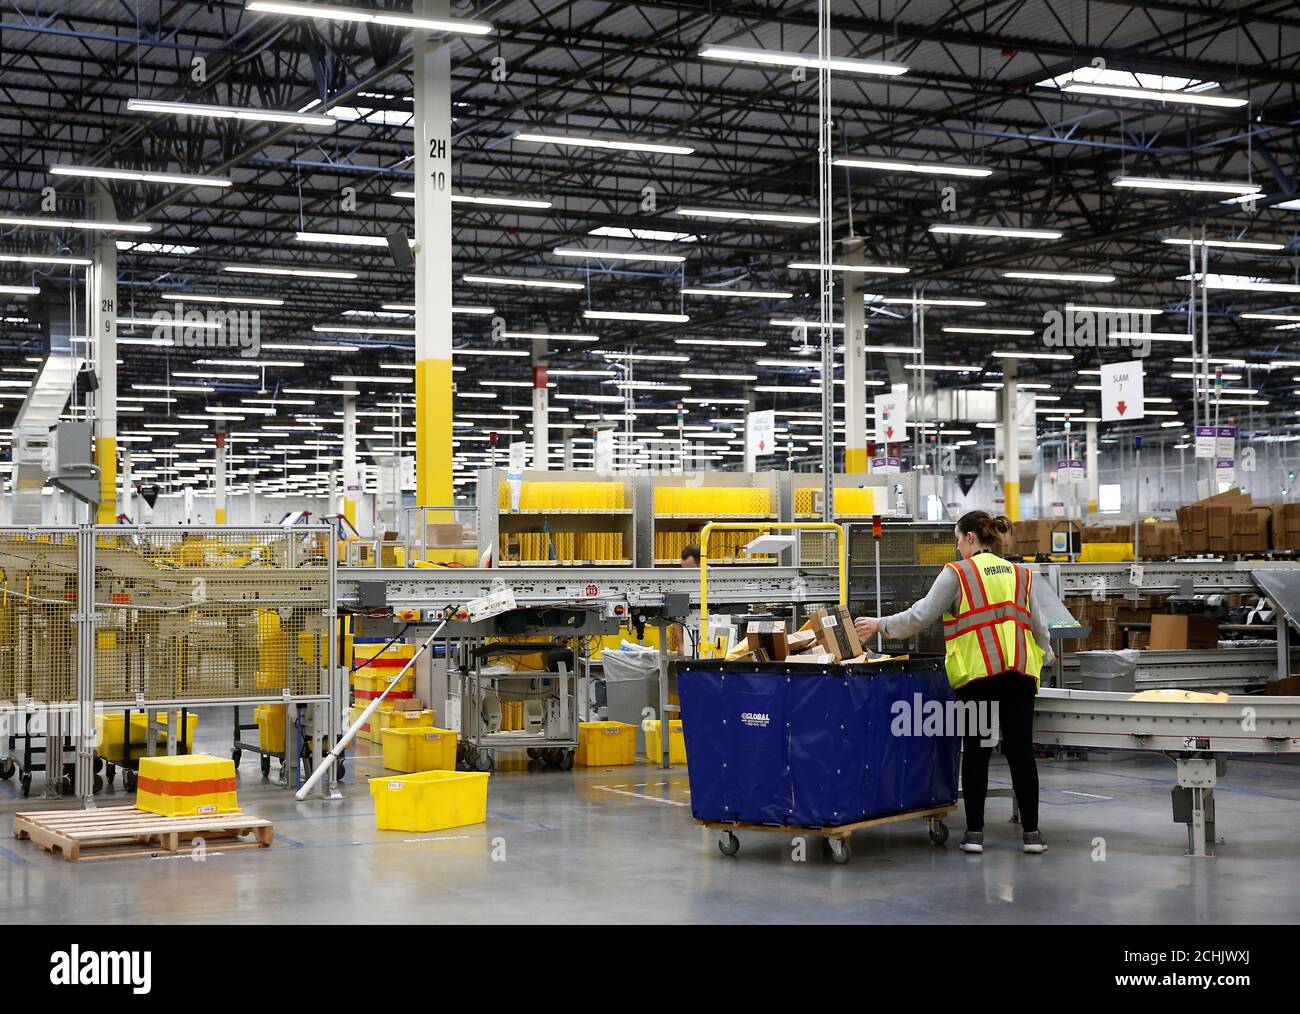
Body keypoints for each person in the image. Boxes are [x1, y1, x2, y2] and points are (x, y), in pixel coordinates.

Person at [853, 511, 1054, 855]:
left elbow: (920, 616)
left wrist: (879, 625)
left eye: (958, 538)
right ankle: (1032, 834)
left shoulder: (958, 573)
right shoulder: (1022, 574)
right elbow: (1039, 626)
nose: (957, 545)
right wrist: (1047, 653)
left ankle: (975, 833)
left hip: (978, 678)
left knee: (977, 752)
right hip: (1019, 677)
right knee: (1021, 753)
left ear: (971, 538)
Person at [669, 544, 700, 655]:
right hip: (688, 636)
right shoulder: (680, 581)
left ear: (700, 563)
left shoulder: (715, 579)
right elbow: (676, 617)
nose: (686, 574)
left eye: (690, 569)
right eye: (684, 569)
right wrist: (681, 644)